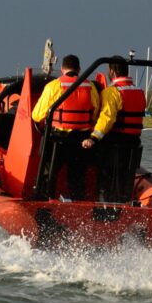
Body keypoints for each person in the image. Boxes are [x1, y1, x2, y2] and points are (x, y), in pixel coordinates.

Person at [32, 54, 100, 200]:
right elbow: (95, 112)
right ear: (79, 69)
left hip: (58, 140)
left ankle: (45, 200)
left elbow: (37, 115)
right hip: (81, 141)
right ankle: (77, 203)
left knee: (48, 173)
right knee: (77, 177)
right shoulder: (91, 87)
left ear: (62, 69)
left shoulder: (53, 86)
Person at [82, 55, 146, 202]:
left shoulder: (112, 92)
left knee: (103, 171)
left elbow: (107, 119)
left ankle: (102, 201)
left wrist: (93, 138)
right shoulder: (140, 91)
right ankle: (124, 201)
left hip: (115, 142)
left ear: (112, 72)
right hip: (134, 142)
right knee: (125, 177)